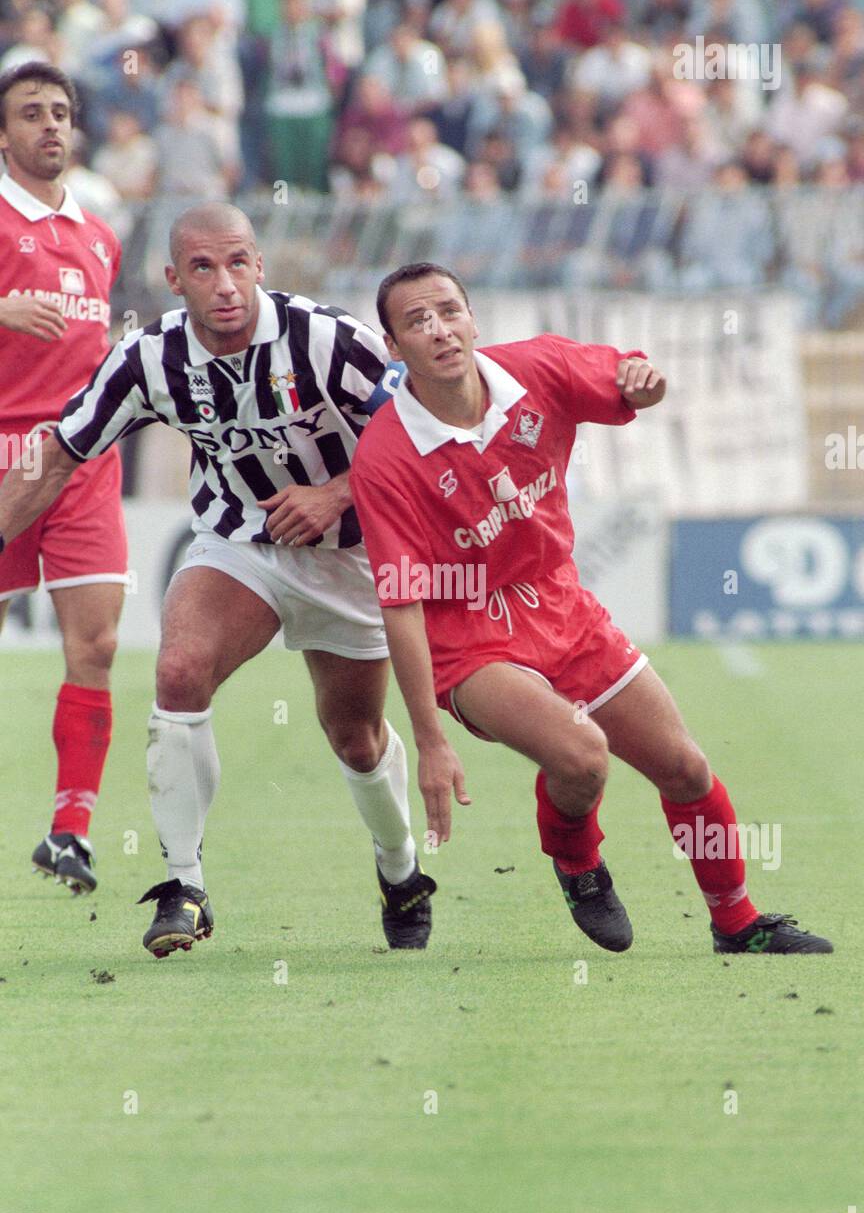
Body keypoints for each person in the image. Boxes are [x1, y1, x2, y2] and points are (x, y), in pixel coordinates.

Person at [349, 262, 833, 957]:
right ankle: (576, 859)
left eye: (449, 311)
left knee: (687, 769)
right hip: (469, 634)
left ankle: (737, 924)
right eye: (417, 322)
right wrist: (429, 739)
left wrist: (647, 381)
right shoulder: (386, 457)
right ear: (393, 348)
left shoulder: (536, 369)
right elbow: (400, 604)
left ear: (473, 318)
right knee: (582, 759)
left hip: (561, 605)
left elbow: (625, 374)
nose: (440, 330)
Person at [0, 203, 434, 958]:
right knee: (179, 667)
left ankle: (399, 872)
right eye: (203, 268)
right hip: (239, 543)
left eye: (239, 262)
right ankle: (184, 887)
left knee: (356, 737)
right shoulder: (148, 359)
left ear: (260, 265)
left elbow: (421, 428)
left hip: (348, 554)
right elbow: (64, 449)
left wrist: (332, 495)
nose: (225, 283)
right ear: (173, 279)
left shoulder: (325, 338)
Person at [0, 62, 124, 898]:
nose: (50, 126)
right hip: (4, 454)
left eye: (61, 113)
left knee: (100, 644)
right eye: (31, 114)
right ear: (3, 133)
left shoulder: (102, 236)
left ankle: (70, 832)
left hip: (81, 458)